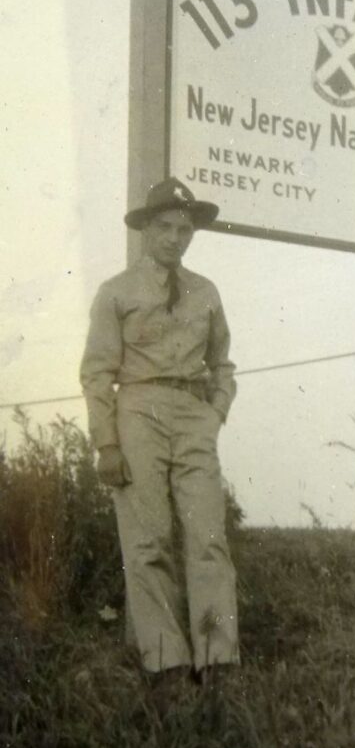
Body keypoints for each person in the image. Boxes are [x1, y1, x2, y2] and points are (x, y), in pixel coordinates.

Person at [80, 177, 239, 679]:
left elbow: (223, 365)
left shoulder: (206, 292)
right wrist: (107, 442)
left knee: (207, 536)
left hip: (193, 413)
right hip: (139, 412)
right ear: (147, 229)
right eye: (166, 227)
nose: (175, 238)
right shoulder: (116, 292)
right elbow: (97, 372)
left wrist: (214, 413)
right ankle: (168, 662)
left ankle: (217, 660)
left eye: (185, 230)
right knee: (148, 541)